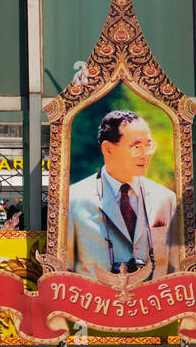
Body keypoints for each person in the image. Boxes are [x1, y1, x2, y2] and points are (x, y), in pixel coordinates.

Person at [66, 110, 179, 280]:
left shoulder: (165, 198)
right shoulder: (73, 200)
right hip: (95, 304)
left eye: (148, 145)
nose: (145, 154)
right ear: (108, 149)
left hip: (154, 304)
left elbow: (176, 272)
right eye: (136, 146)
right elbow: (62, 275)